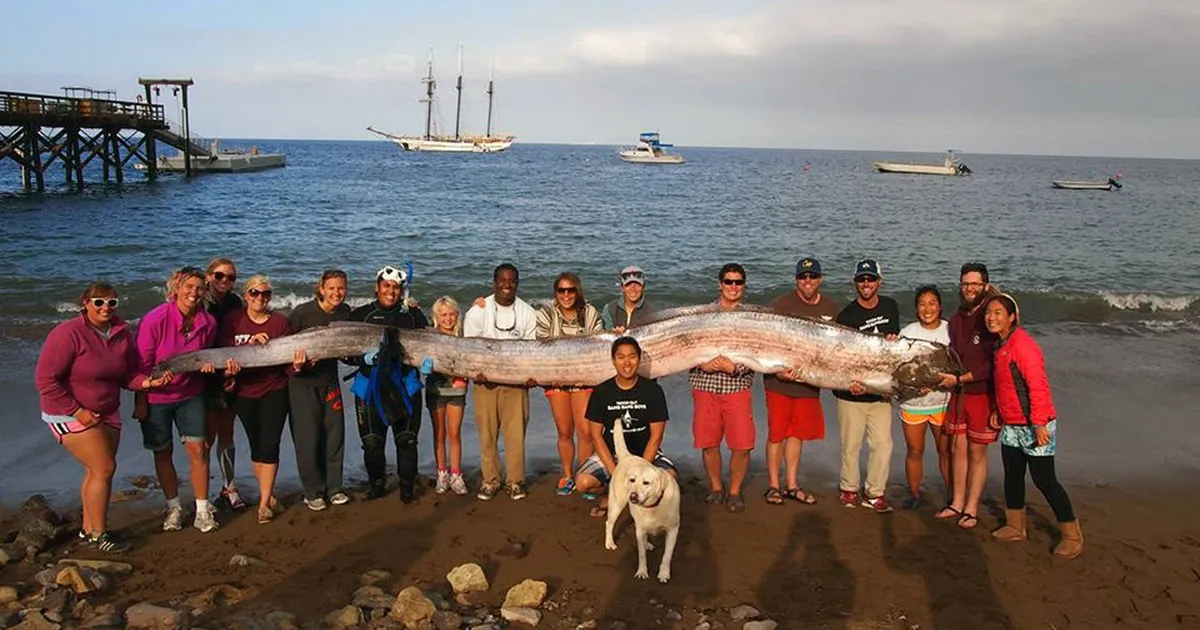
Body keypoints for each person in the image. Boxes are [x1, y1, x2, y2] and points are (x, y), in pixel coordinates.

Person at [35, 283, 170, 552]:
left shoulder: (121, 333)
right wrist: (77, 411)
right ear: (85, 304)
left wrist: (148, 384)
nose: (105, 307)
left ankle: (88, 530)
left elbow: (126, 375)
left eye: (111, 303)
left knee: (96, 471)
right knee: (103, 468)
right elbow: (46, 380)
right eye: (99, 302)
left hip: (107, 411)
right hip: (67, 412)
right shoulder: (68, 332)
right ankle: (99, 535)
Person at [134, 267, 237, 533]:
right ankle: (174, 507)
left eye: (199, 288)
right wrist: (141, 400)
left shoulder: (207, 322)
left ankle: (202, 510)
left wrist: (208, 367)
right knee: (163, 451)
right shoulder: (154, 319)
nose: (194, 293)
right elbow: (142, 365)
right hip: (156, 396)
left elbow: (206, 356)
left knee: (198, 449)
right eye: (189, 287)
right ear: (177, 288)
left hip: (191, 393)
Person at [984, 294, 1082, 558]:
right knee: (1012, 475)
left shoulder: (1023, 346)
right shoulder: (1000, 345)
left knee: (1044, 480)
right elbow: (1005, 386)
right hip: (1012, 424)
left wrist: (1039, 424)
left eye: (998, 313)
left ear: (1012, 317)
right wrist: (998, 411)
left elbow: (1037, 386)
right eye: (988, 313)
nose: (991, 317)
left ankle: (1072, 535)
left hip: (1036, 424)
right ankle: (1015, 526)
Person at [219, 275, 298, 524]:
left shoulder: (280, 323)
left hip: (274, 389)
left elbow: (288, 363)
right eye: (255, 292)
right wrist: (244, 352)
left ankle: (263, 504)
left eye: (266, 294)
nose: (260, 298)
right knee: (256, 446)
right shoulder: (233, 320)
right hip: (244, 391)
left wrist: (298, 366)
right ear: (246, 295)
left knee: (270, 444)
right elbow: (223, 352)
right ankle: (268, 493)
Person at [348, 265, 430, 503]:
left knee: (406, 440)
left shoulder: (413, 316)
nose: (391, 291)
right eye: (386, 286)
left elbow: (429, 347)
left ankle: (407, 489)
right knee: (372, 442)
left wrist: (428, 363)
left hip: (406, 386)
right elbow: (344, 352)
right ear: (377, 288)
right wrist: (361, 359)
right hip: (369, 387)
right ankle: (376, 485)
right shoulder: (361, 315)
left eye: (395, 287)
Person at [762, 256, 838, 506]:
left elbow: (836, 350)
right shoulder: (780, 304)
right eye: (803, 276)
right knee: (777, 434)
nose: (808, 280)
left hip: (808, 384)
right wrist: (778, 371)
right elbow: (764, 342)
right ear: (796, 280)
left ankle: (792, 485)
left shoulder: (830, 307)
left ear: (820, 279)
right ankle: (773, 486)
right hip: (779, 383)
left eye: (812, 276)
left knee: (797, 434)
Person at [575, 336, 677, 518]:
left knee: (670, 478)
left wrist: (642, 469)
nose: (627, 363)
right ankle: (611, 495)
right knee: (583, 482)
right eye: (621, 357)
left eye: (632, 356)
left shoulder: (653, 391)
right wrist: (617, 475)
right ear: (613, 360)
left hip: (645, 454)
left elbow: (656, 436)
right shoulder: (601, 391)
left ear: (639, 359)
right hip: (612, 454)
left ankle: (639, 499)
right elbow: (596, 436)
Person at [462, 263, 538, 501]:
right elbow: (470, 349)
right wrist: (476, 371)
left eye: (512, 280)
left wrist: (530, 376)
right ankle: (490, 480)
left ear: (517, 283)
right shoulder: (477, 312)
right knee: (487, 435)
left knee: (515, 436)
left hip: (516, 384)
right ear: (494, 283)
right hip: (485, 384)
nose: (507, 285)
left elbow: (532, 351)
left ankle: (515, 481)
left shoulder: (528, 313)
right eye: (503, 280)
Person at [934, 263, 999, 529]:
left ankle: (972, 507)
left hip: (982, 394)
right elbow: (953, 356)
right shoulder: (957, 318)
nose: (969, 288)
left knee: (976, 452)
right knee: (956, 448)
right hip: (959, 393)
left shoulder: (991, 316)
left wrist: (961, 379)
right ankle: (957, 502)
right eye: (965, 284)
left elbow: (993, 363)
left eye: (974, 284)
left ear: (985, 285)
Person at [833, 259, 901, 513]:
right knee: (851, 445)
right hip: (851, 393)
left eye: (871, 279)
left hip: (880, 393)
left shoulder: (890, 306)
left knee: (883, 445)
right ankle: (849, 488)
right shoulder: (846, 315)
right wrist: (850, 384)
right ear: (855, 283)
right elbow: (840, 356)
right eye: (861, 280)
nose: (866, 284)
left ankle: (875, 493)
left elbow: (892, 351)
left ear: (879, 282)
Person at [689, 263, 756, 513]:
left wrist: (735, 368)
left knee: (742, 445)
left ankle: (735, 491)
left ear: (744, 286)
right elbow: (685, 345)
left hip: (737, 387)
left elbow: (759, 349)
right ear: (720, 284)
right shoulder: (702, 315)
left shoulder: (752, 318)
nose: (733, 287)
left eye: (738, 282)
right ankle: (716, 487)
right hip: (704, 385)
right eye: (729, 281)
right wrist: (702, 364)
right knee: (709, 443)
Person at [288, 269, 352, 511]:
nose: (337, 293)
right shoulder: (302, 313)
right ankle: (313, 492)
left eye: (341, 288)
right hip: (302, 383)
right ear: (321, 289)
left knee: (335, 436)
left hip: (330, 381)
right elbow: (282, 346)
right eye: (332, 288)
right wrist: (298, 365)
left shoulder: (345, 313)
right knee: (308, 439)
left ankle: (334, 488)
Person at [535, 272, 604, 495]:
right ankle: (566, 475)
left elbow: (598, 347)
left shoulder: (590, 313)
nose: (566, 295)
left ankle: (585, 475)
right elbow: (541, 347)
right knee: (564, 431)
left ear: (577, 291)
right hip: (556, 379)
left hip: (583, 378)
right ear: (556, 293)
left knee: (586, 432)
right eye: (561, 290)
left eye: (571, 290)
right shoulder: (546, 314)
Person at [897, 285, 952, 509]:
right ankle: (914, 494)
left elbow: (958, 365)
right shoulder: (907, 333)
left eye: (931, 303)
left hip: (943, 404)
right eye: (922, 304)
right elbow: (898, 369)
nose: (927, 309)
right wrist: (912, 385)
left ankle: (953, 496)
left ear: (940, 306)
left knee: (945, 452)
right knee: (914, 451)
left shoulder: (950, 331)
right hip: (913, 404)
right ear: (916, 308)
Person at [204, 257, 246, 511]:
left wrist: (232, 375)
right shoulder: (199, 301)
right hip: (203, 374)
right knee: (206, 437)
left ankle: (229, 487)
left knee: (227, 432)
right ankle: (202, 495)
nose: (224, 281)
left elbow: (238, 338)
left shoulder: (235, 303)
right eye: (219, 275)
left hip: (229, 370)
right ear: (209, 276)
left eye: (230, 277)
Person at [427, 296, 469, 496]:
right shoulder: (430, 336)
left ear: (457, 315)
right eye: (443, 315)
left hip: (457, 390)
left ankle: (456, 474)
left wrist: (479, 303)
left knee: (454, 433)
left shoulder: (463, 337)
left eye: (452, 314)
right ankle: (441, 472)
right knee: (439, 434)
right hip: (435, 390)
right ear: (436, 316)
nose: (448, 318)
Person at [601, 266, 656, 333]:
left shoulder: (652, 311)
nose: (633, 289)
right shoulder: (609, 309)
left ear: (643, 287)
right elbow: (605, 334)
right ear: (622, 287)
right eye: (628, 284)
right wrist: (613, 333)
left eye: (637, 284)